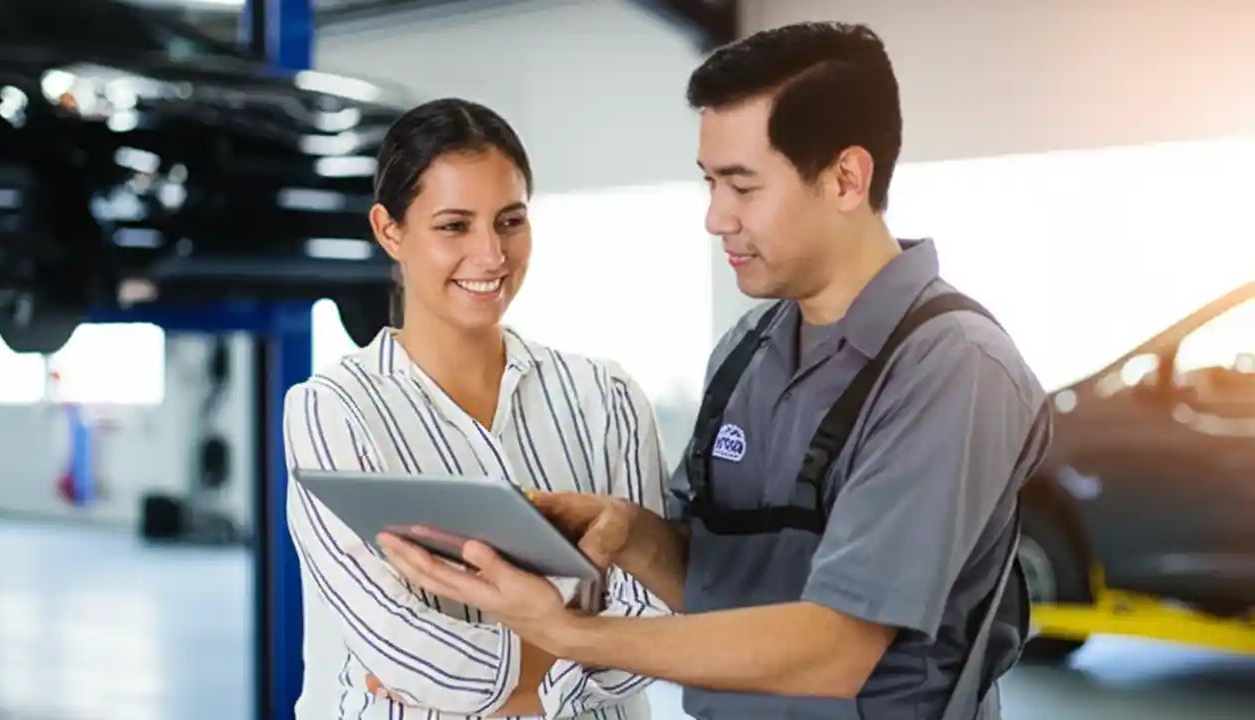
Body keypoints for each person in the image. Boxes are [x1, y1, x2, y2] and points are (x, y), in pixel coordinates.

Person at [377, 21, 1053, 720]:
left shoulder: (953, 368)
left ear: (846, 178)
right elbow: (712, 584)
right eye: (709, 182)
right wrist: (631, 534)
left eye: (742, 187)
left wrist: (569, 634)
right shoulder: (748, 350)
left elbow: (839, 650)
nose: (715, 217)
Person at [281, 97, 672, 720]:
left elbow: (660, 618)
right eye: (454, 226)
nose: (492, 255)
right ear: (389, 231)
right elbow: (407, 653)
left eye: (510, 221)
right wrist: (586, 646)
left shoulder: (607, 398)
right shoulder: (333, 411)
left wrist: (513, 683)